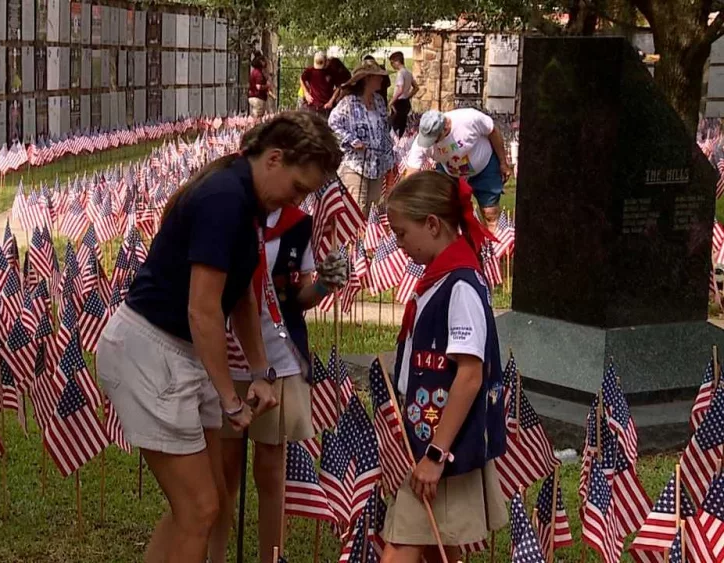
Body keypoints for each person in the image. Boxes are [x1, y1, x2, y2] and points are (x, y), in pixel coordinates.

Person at [96, 112, 343, 563]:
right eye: (298, 187)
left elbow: (242, 294)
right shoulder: (225, 199)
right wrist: (230, 399)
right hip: (152, 350)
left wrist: (260, 370)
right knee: (201, 509)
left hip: (179, 353)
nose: (298, 200)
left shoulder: (246, 199)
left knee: (201, 507)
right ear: (274, 158)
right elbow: (203, 309)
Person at [378, 171, 507, 563]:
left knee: (401, 547)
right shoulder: (441, 280)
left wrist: (436, 455)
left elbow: (470, 375)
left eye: (402, 233)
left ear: (432, 224)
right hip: (428, 440)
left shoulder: (460, 287)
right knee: (438, 548)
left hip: (441, 446)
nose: (399, 244)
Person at [208, 205, 348, 563]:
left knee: (271, 470)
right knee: (224, 469)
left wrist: (323, 285)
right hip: (227, 355)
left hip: (279, 358)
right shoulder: (230, 211)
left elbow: (299, 297)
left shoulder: (299, 225)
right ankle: (214, 555)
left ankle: (272, 557)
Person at [403, 109, 513, 233]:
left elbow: (493, 131)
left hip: (484, 167)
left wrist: (503, 163)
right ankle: (460, 241)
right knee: (447, 212)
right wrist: (404, 201)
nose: (431, 143)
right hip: (450, 173)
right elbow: (411, 172)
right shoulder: (422, 142)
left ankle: (492, 242)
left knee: (490, 213)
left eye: (435, 140)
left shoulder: (470, 119)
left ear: (445, 128)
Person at [328, 61, 395, 211]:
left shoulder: (379, 101)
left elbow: (385, 131)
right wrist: (352, 140)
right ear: (367, 78)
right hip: (355, 165)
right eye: (378, 76)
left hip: (377, 166)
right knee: (357, 209)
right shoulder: (348, 102)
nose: (381, 79)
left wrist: (390, 162)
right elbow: (333, 124)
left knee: (373, 210)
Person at [388, 51, 418, 138]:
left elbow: (400, 89)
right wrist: (408, 96)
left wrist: (391, 101)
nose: (392, 65)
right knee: (402, 126)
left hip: (399, 102)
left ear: (397, 61)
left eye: (392, 63)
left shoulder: (400, 73)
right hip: (405, 102)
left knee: (394, 127)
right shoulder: (408, 73)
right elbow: (416, 88)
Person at [300, 51, 334, 116]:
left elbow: (339, 86)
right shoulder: (310, 71)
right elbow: (301, 79)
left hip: (327, 107)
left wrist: (331, 101)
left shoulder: (331, 72)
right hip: (313, 106)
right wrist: (306, 93)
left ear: (326, 61)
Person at [248, 52, 271, 118]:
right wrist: (267, 86)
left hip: (253, 96)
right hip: (258, 97)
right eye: (264, 61)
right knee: (258, 117)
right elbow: (258, 87)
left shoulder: (254, 71)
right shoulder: (258, 73)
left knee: (257, 114)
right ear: (261, 62)